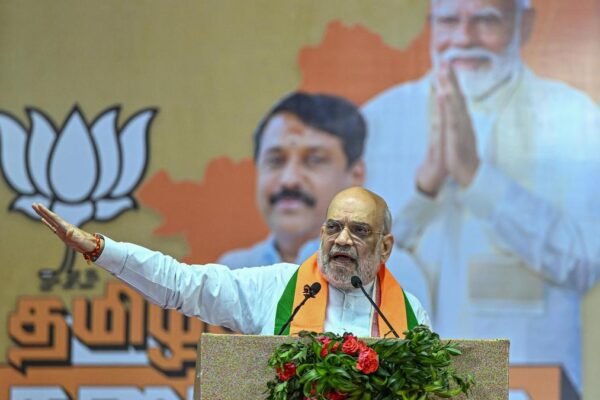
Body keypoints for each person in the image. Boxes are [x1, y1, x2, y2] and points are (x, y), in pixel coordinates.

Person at [362, 0, 600, 392]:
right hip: (403, 385)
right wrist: (424, 192)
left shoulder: (574, 115)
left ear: (524, 24)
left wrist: (477, 179)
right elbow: (353, 265)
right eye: (449, 21)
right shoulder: (380, 119)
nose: (464, 38)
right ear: (431, 25)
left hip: (527, 385)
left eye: (486, 20)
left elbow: (584, 262)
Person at [31, 187, 430, 336]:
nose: (342, 239)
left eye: (358, 230)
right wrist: (99, 248)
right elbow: (181, 284)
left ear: (385, 247)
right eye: (333, 227)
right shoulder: (279, 287)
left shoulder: (409, 316)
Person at [218, 92, 366, 268]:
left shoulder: (381, 272)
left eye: (314, 160)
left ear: (355, 176)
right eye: (275, 160)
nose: (289, 180)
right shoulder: (234, 272)